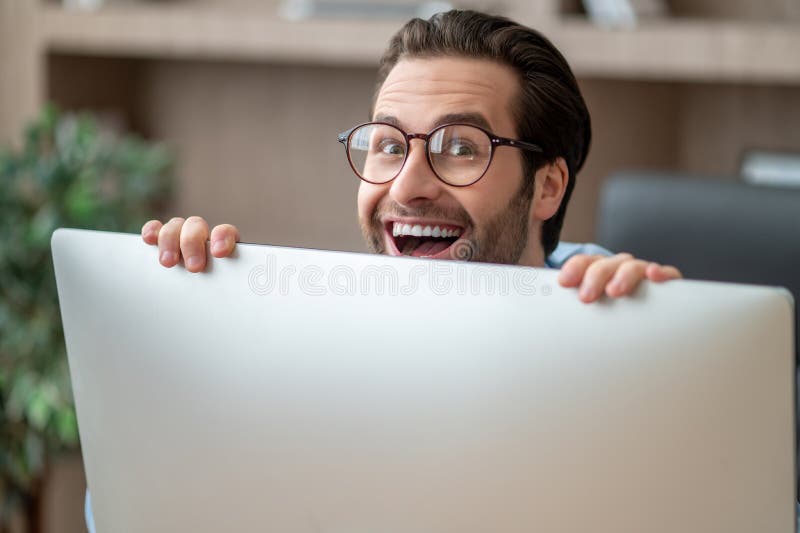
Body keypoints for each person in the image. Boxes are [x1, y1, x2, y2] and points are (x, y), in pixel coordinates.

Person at [85, 9, 683, 531]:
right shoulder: (297, 335)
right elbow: (128, 515)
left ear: (547, 186)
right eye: (391, 146)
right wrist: (182, 355)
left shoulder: (618, 325)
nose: (407, 187)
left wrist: (660, 370)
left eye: (460, 147)